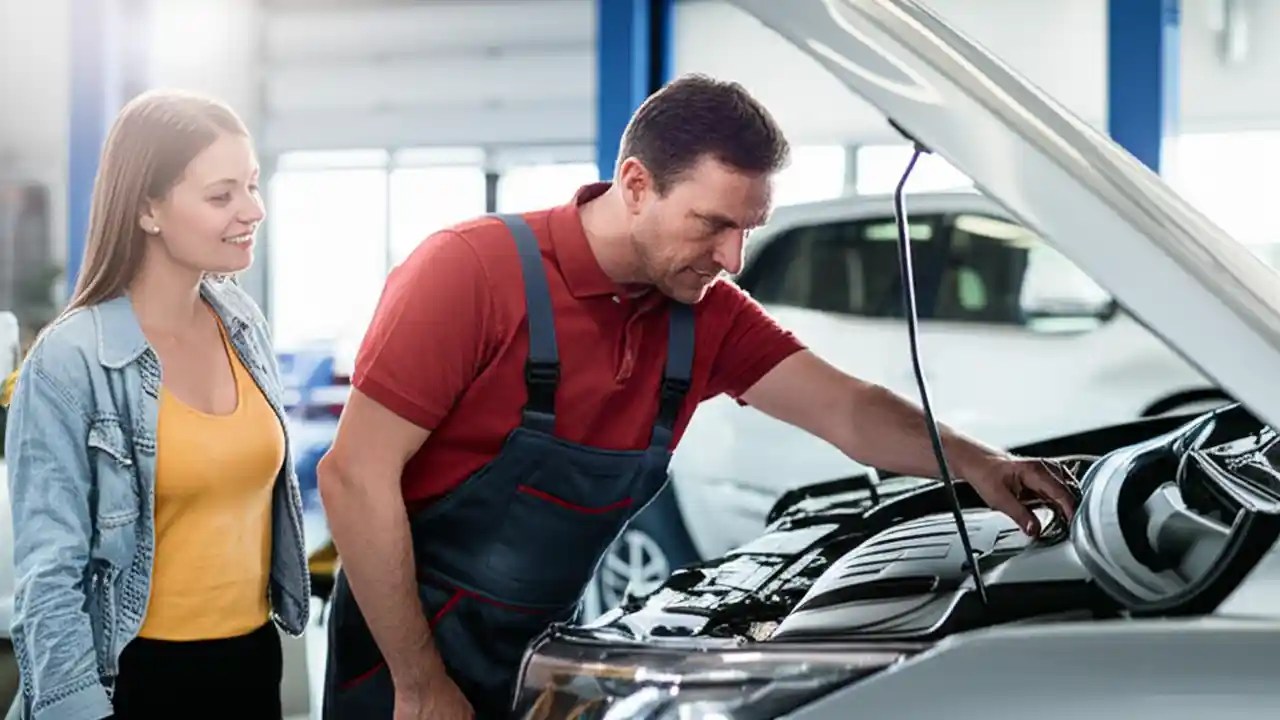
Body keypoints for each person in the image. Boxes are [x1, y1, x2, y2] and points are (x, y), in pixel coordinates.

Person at [317, 73, 1078, 720]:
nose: (733, 258)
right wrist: (421, 685)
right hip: (401, 654)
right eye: (713, 224)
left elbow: (846, 408)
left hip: (546, 650)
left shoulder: (706, 316)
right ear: (637, 185)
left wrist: (981, 464)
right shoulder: (472, 273)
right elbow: (352, 476)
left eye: (748, 229)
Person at [2, 89, 310, 719]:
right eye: (222, 195)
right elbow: (47, 579)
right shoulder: (70, 361)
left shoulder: (242, 323)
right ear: (148, 208)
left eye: (252, 185)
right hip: (133, 680)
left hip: (251, 662)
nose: (253, 210)